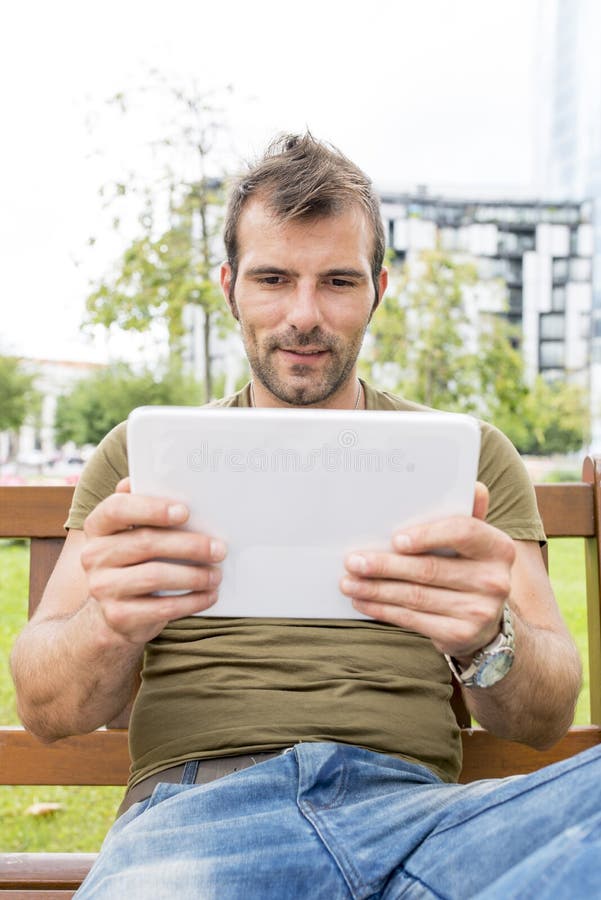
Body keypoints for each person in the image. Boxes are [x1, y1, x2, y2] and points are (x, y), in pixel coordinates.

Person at [10, 133, 601, 899]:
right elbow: (48, 708)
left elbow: (545, 714)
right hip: (201, 818)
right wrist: (109, 623)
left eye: (337, 282)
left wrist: (487, 639)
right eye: (273, 279)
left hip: (420, 824)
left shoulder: (468, 457)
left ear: (377, 290)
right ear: (228, 286)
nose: (303, 315)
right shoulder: (142, 456)